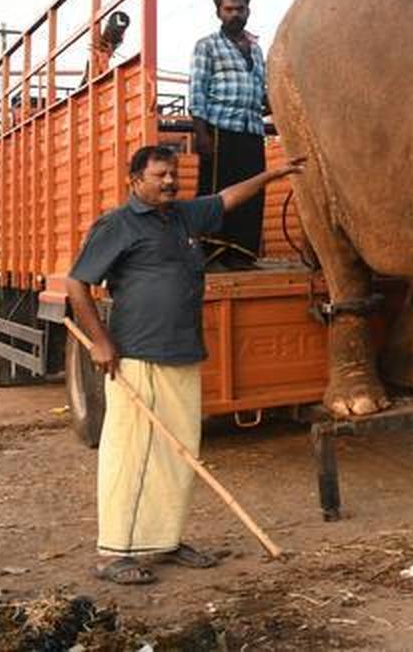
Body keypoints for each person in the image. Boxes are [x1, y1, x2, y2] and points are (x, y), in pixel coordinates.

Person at [65, 144, 302, 585]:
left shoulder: (183, 217)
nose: (170, 182)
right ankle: (113, 551)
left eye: (173, 174)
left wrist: (274, 174)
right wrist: (100, 342)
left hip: (182, 353)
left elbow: (229, 198)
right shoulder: (117, 225)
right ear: (135, 180)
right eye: (160, 175)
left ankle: (163, 541)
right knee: (132, 455)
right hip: (138, 355)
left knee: (179, 453)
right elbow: (77, 283)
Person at [189, 0, 269, 270]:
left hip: (252, 129)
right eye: (229, 9)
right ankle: (213, 257)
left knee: (253, 191)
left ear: (248, 10)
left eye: (240, 9)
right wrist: (201, 133)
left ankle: (242, 256)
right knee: (217, 192)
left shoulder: (257, 49)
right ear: (218, 12)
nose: (235, 14)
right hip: (219, 128)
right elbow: (197, 90)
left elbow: (262, 90)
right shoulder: (207, 45)